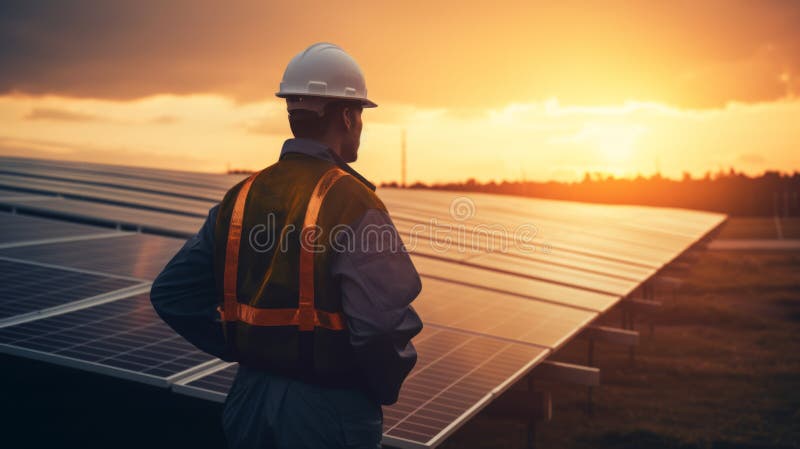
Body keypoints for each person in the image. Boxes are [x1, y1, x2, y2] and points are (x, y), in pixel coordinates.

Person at [150, 42, 423, 449]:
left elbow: (171, 293)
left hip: (249, 400)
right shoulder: (354, 202)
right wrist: (380, 386)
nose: (361, 124)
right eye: (361, 113)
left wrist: (244, 344)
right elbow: (381, 325)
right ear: (347, 117)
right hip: (329, 411)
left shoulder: (242, 196)